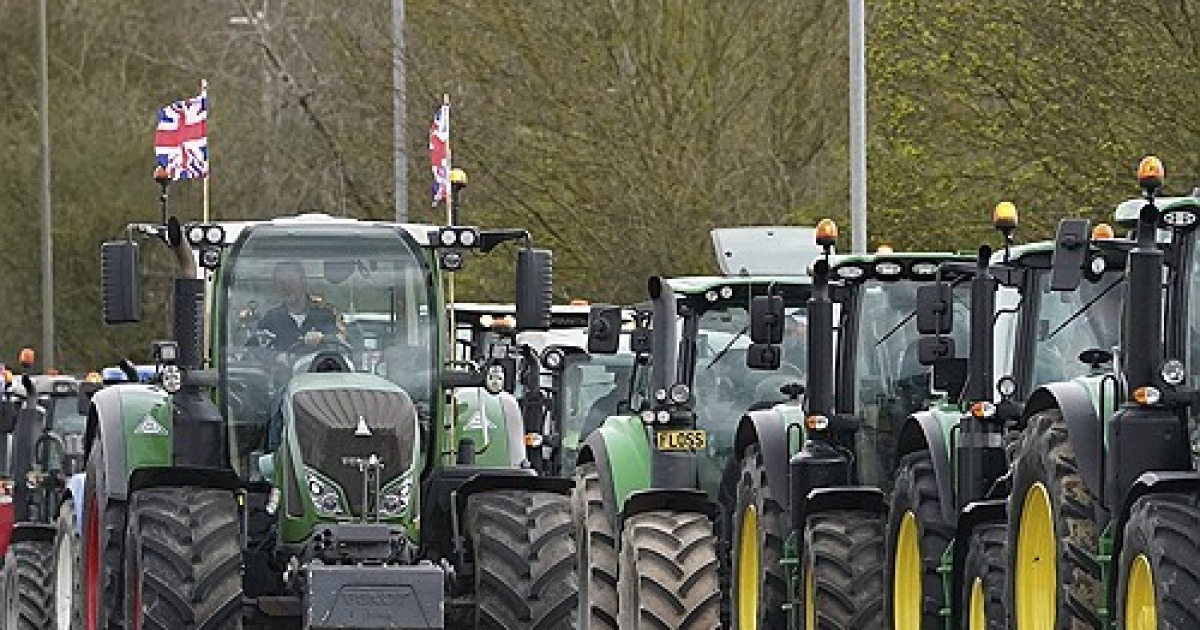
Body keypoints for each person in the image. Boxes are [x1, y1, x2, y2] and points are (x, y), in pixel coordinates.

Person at [255, 261, 348, 351]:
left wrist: (324, 338)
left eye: (291, 282)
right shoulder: (270, 319)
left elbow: (346, 341)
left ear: (303, 282)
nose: (286, 287)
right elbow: (252, 352)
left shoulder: (328, 314)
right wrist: (275, 358)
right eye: (281, 283)